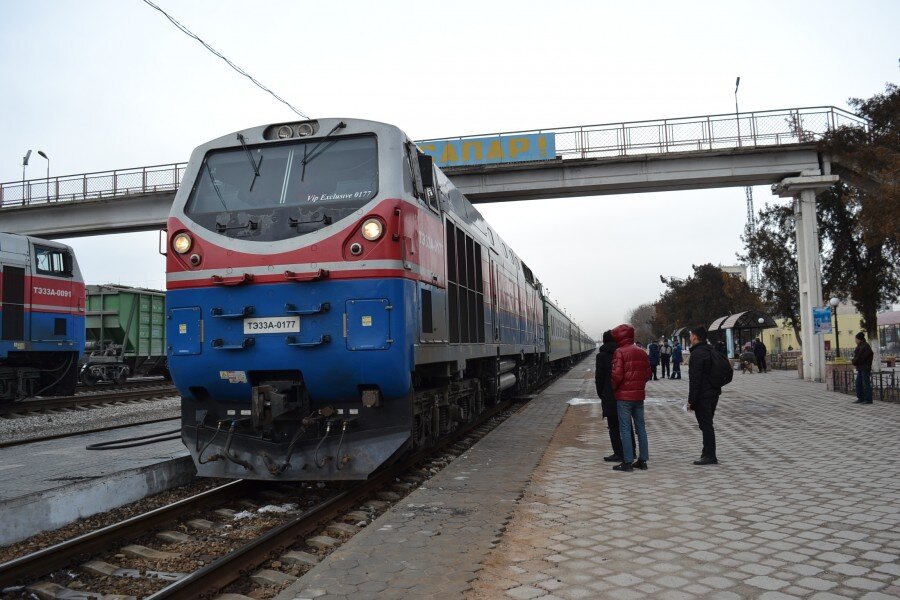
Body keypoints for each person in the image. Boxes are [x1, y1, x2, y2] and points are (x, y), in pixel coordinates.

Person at [610, 324, 652, 472]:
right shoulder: (642, 352)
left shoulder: (619, 352)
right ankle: (643, 460)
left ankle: (628, 462)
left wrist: (615, 388)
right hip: (638, 397)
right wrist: (639, 386)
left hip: (624, 397)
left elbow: (617, 375)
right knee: (641, 428)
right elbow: (648, 375)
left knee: (625, 429)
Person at [595, 330, 634, 462]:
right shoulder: (623, 353)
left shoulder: (601, 356)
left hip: (609, 394)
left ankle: (618, 453)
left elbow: (599, 379)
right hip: (624, 394)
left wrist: (602, 394)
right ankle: (632, 451)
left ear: (604, 341)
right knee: (626, 424)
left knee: (613, 426)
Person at [687, 326, 722, 465]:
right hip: (714, 392)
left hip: (703, 395)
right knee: (707, 424)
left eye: (690, 335)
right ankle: (706, 451)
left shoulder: (697, 354)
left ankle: (710, 455)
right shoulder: (710, 350)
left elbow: (695, 381)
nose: (690, 338)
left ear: (695, 337)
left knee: (706, 425)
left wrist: (691, 401)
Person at [851, 332, 874, 404]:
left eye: (856, 339)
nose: (855, 340)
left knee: (866, 383)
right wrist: (855, 360)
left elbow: (861, 358)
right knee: (858, 383)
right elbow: (857, 356)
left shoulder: (865, 346)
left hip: (865, 368)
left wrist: (854, 361)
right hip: (860, 368)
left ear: (859, 339)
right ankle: (861, 398)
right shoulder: (859, 346)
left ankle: (868, 399)